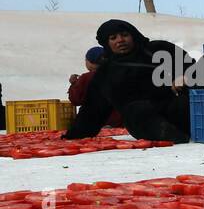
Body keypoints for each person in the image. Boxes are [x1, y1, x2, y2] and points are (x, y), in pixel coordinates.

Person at [65, 20, 193, 142]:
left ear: (134, 35)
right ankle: (170, 135)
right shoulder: (105, 73)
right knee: (135, 111)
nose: (120, 40)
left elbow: (192, 67)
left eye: (125, 35)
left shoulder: (158, 49)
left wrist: (183, 77)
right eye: (113, 38)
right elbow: (92, 109)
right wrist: (74, 135)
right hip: (142, 120)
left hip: (176, 107)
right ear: (106, 43)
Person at [67, 46, 122, 127]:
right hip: (119, 122)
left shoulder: (86, 78)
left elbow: (75, 100)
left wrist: (74, 84)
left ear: (90, 62)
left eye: (86, 60)